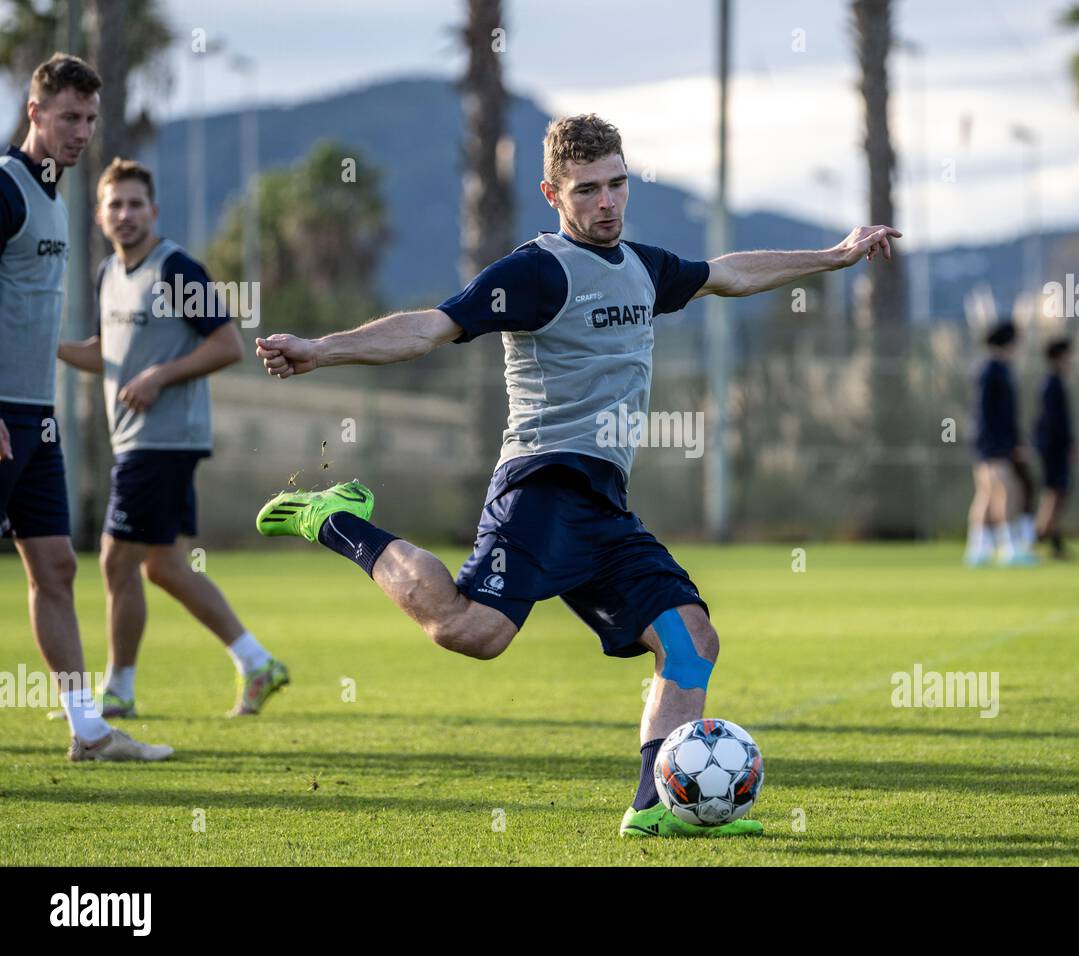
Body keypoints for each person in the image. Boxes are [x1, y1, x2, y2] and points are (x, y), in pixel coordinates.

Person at [251, 113, 901, 837]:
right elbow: (429, 328)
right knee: (473, 632)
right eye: (588, 189)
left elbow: (730, 273)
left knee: (690, 639)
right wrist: (321, 349)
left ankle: (655, 812)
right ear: (552, 194)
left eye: (618, 184)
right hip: (540, 484)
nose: (608, 202)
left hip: (603, 503)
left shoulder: (644, 267)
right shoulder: (535, 272)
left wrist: (835, 256)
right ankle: (335, 518)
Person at [55, 158, 288, 718]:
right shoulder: (109, 273)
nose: (125, 214)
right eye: (115, 204)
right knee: (162, 566)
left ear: (154, 211)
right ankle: (257, 662)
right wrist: (44, 345)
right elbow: (106, 353)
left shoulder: (175, 268)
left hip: (164, 441)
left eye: (136, 204)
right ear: (100, 215)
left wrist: (159, 376)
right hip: (134, 440)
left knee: (114, 560)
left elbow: (227, 345)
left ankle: (120, 691)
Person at [0, 54, 170, 761]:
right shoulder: (6, 188)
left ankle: (88, 731)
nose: (81, 132)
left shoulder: (60, 198)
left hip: (38, 418)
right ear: (34, 112)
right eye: (68, 117)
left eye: (90, 119)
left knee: (57, 570)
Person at [965, 321, 1035, 566]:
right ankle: (1009, 547)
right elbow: (988, 414)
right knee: (1007, 490)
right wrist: (1006, 444)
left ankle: (978, 549)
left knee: (986, 493)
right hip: (992, 445)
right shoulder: (992, 371)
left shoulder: (995, 369)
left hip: (990, 443)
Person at [1033, 337, 1075, 559]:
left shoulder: (1055, 382)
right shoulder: (1051, 384)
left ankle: (1050, 539)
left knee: (1058, 492)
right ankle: (1039, 539)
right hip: (1052, 449)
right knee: (1054, 492)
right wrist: (1065, 445)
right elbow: (1051, 421)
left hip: (1054, 447)